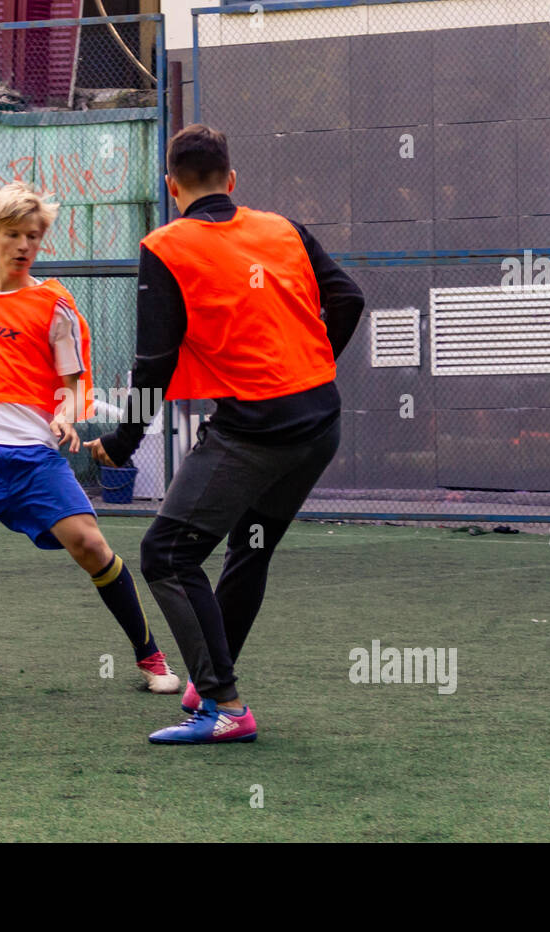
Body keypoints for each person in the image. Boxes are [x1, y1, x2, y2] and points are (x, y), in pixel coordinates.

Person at [88, 123, 365, 744]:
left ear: (171, 186)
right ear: (231, 181)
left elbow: (153, 365)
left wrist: (122, 444)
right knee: (250, 544)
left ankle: (224, 705)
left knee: (167, 553)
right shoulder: (283, 228)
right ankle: (211, 683)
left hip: (255, 429)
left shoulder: (165, 246)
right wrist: (313, 368)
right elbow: (348, 298)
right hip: (321, 421)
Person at [0, 181, 180, 703]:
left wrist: (67, 417)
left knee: (92, 545)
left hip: (33, 458)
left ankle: (151, 657)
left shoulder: (55, 304)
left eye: (33, 236)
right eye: (13, 234)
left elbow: (72, 384)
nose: (24, 245)